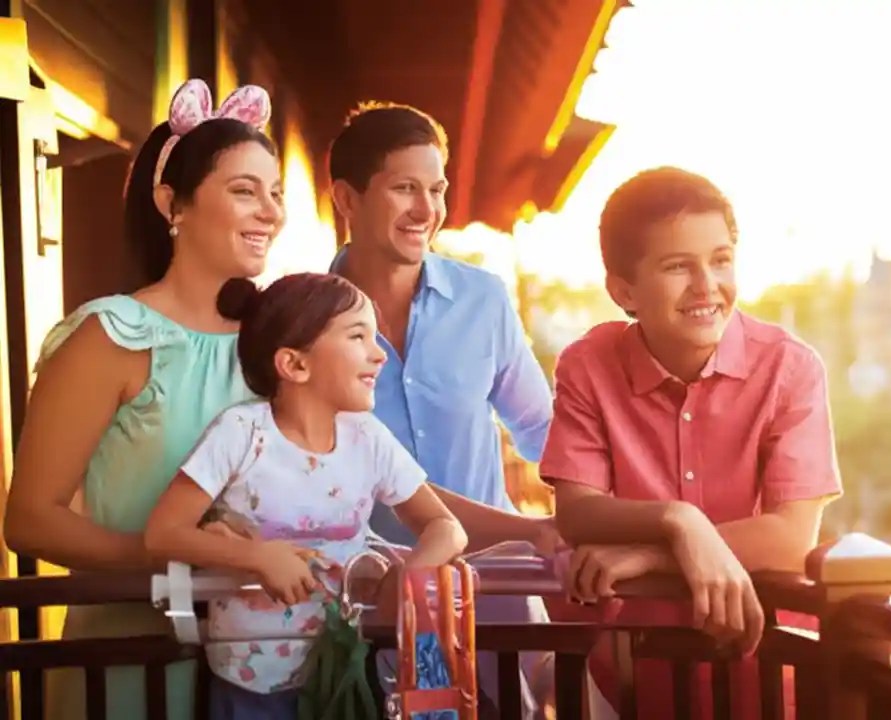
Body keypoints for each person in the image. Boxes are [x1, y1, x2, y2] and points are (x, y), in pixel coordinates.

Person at [3, 78, 282, 720]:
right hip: (130, 666)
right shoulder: (113, 334)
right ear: (171, 203)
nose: (269, 211)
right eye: (244, 190)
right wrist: (181, 564)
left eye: (275, 193)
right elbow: (30, 519)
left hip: (270, 666)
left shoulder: (281, 340)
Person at [539, 166, 842, 720]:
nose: (707, 286)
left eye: (720, 259)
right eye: (678, 266)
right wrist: (681, 522)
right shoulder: (587, 366)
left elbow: (791, 538)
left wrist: (649, 555)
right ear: (623, 290)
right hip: (631, 674)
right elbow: (578, 515)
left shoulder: (790, 369)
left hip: (767, 673)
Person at [143, 273, 468, 719]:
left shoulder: (367, 437)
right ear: (295, 365)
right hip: (249, 684)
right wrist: (260, 558)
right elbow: (163, 534)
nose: (380, 355)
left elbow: (446, 528)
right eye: (358, 337)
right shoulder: (240, 433)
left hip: (343, 673)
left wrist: (407, 578)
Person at [326, 103, 557, 717]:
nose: (427, 210)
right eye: (404, 188)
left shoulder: (483, 300)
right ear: (346, 198)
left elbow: (543, 430)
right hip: (374, 603)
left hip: (499, 599)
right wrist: (529, 531)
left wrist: (606, 519)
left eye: (436, 189)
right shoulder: (303, 323)